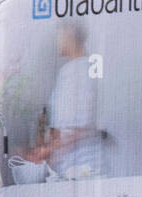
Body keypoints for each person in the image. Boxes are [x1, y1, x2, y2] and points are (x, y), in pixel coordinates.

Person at [26, 23, 113, 178]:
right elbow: (60, 126)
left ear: (69, 32)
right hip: (68, 167)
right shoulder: (67, 71)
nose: (56, 41)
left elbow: (81, 128)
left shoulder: (85, 70)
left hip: (86, 166)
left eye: (58, 35)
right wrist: (45, 149)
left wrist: (48, 150)